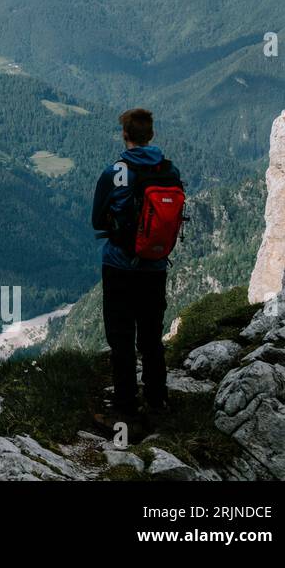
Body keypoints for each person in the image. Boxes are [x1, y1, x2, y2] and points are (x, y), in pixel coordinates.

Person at [91, 108, 181, 416]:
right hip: (155, 266)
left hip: (120, 266)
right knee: (152, 337)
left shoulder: (117, 171)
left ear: (125, 135)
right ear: (151, 135)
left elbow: (96, 219)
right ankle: (158, 400)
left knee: (121, 338)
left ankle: (126, 407)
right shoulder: (169, 170)